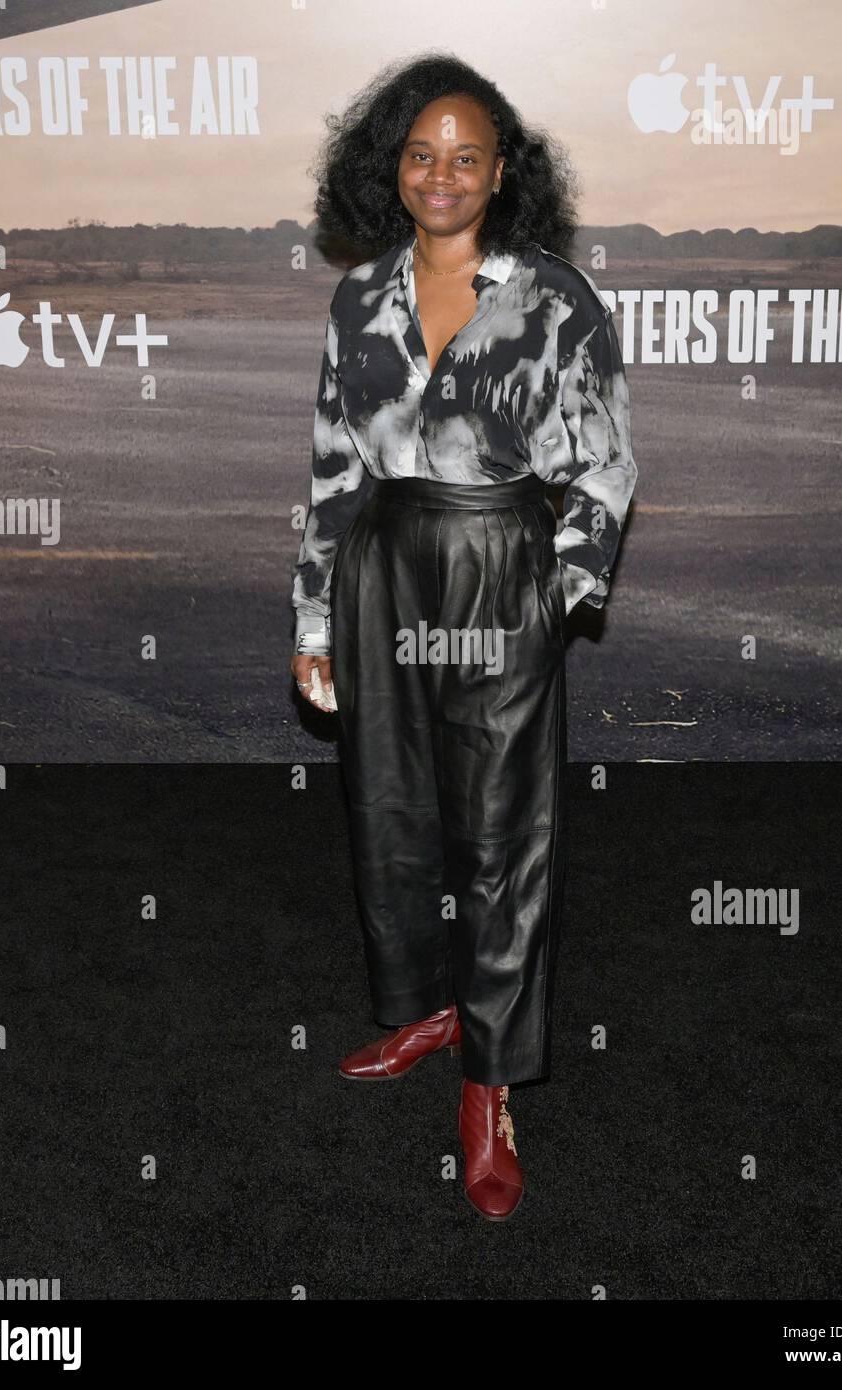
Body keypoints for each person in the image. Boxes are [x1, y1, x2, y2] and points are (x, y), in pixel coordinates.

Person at [290, 53, 637, 1221]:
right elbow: (335, 469)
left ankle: (490, 1081)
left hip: (498, 565)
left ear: (501, 174)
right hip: (382, 563)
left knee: (499, 834)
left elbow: (604, 469)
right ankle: (426, 1010)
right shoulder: (359, 295)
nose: (440, 173)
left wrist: (560, 597)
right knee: (389, 809)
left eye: (465, 156)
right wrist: (312, 618)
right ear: (390, 166)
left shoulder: (553, 300)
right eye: (419, 152)